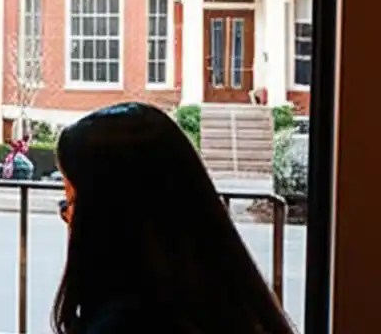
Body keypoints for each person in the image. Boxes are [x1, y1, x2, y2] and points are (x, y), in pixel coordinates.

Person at [51, 102, 296, 334]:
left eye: (71, 203)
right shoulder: (228, 300)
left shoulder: (127, 323)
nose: (68, 218)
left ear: (107, 217)